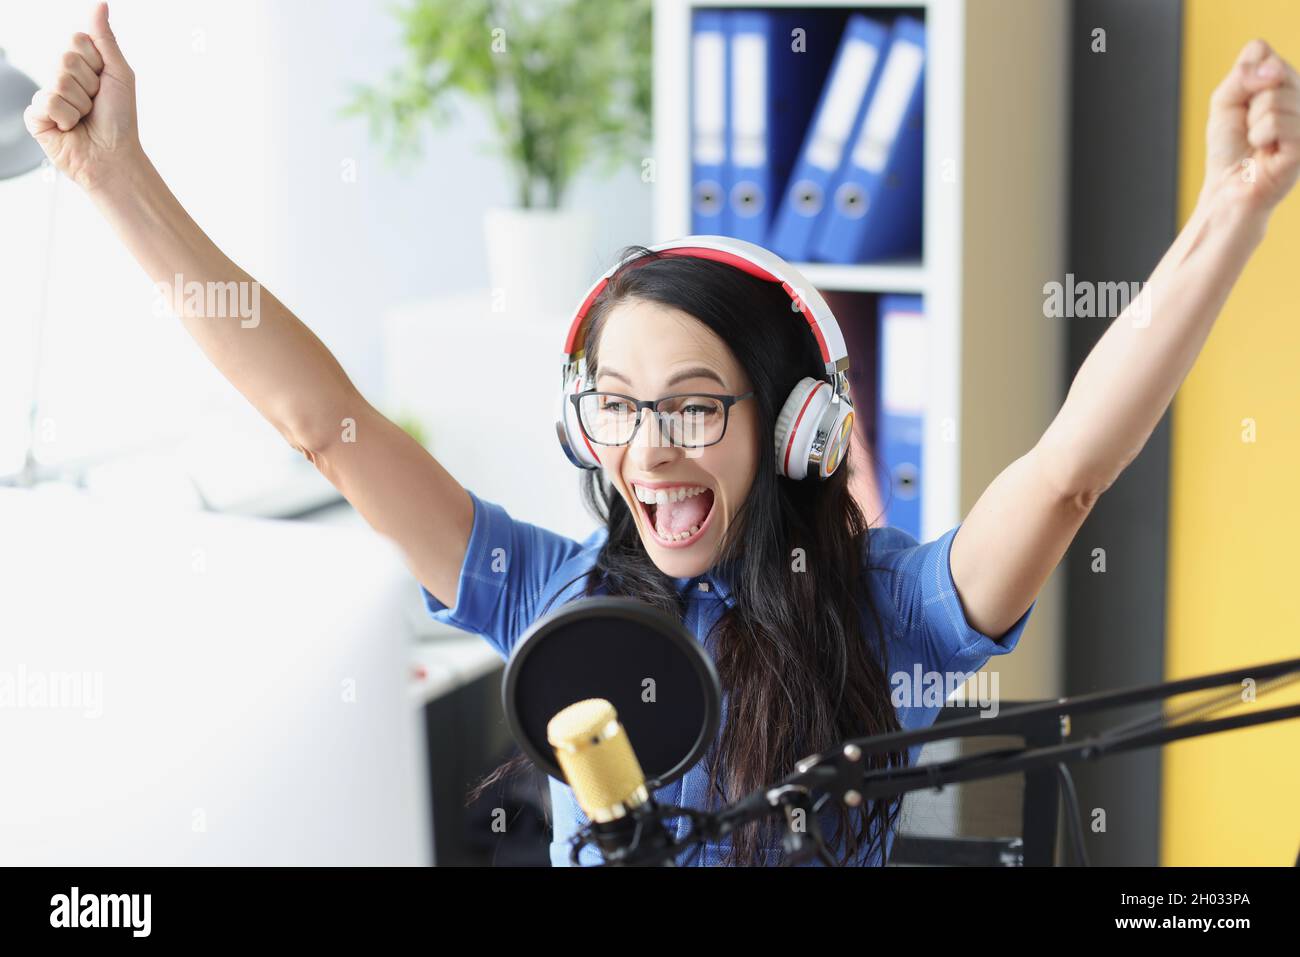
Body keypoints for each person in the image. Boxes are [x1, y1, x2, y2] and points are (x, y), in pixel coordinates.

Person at [25, 3, 1299, 866]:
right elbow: (325, 425)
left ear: (798, 426)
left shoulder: (888, 610)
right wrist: (114, 181)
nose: (646, 449)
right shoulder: (543, 589)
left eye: (692, 404)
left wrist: (1228, 215)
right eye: (616, 407)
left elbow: (1069, 472)